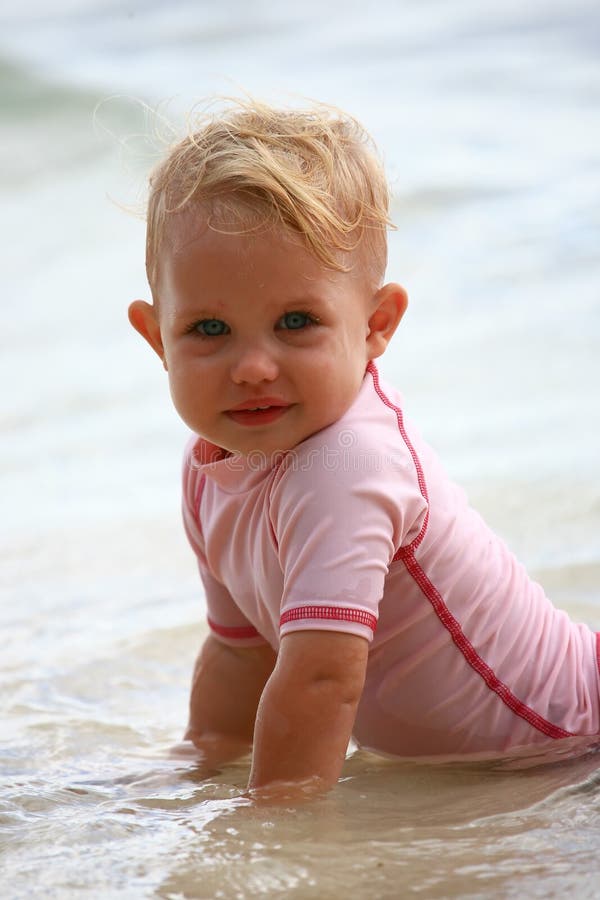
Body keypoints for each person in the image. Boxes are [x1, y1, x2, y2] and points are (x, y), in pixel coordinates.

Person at [128, 97, 600, 800]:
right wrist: (198, 769)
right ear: (157, 337)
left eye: (296, 322)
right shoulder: (208, 468)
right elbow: (239, 650)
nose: (252, 367)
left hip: (569, 740)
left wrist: (275, 826)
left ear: (376, 324)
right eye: (209, 329)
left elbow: (322, 678)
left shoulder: (345, 467)